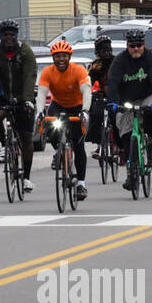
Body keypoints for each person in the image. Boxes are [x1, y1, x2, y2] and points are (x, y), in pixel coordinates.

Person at [0, 19, 37, 191]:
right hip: (1, 95)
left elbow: (30, 75)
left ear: (17, 36)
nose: (9, 38)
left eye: (12, 35)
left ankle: (26, 177)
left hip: (22, 97)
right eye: (5, 35)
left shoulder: (25, 51)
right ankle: (5, 144)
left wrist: (27, 99)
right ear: (1, 37)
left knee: (26, 137)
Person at [106, 28, 152, 190]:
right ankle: (131, 174)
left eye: (139, 45)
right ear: (127, 46)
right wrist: (112, 102)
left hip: (148, 95)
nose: (136, 49)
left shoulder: (151, 59)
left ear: (144, 45)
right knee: (124, 131)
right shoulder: (119, 60)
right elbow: (113, 83)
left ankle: (151, 143)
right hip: (127, 100)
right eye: (132, 46)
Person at [36, 39, 93, 201]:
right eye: (57, 56)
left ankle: (81, 183)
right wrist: (39, 112)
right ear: (53, 58)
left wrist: (85, 111)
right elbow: (41, 93)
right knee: (51, 128)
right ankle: (58, 151)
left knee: (78, 144)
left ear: (69, 57)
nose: (61, 59)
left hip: (77, 107)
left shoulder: (78, 71)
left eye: (64, 56)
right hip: (58, 105)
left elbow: (86, 91)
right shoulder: (47, 72)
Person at [85, 34, 116, 145]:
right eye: (103, 51)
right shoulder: (95, 65)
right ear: (98, 52)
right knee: (96, 115)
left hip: (116, 95)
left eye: (108, 50)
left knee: (118, 117)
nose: (106, 53)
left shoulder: (117, 61)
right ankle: (99, 144)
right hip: (101, 95)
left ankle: (119, 145)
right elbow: (88, 82)